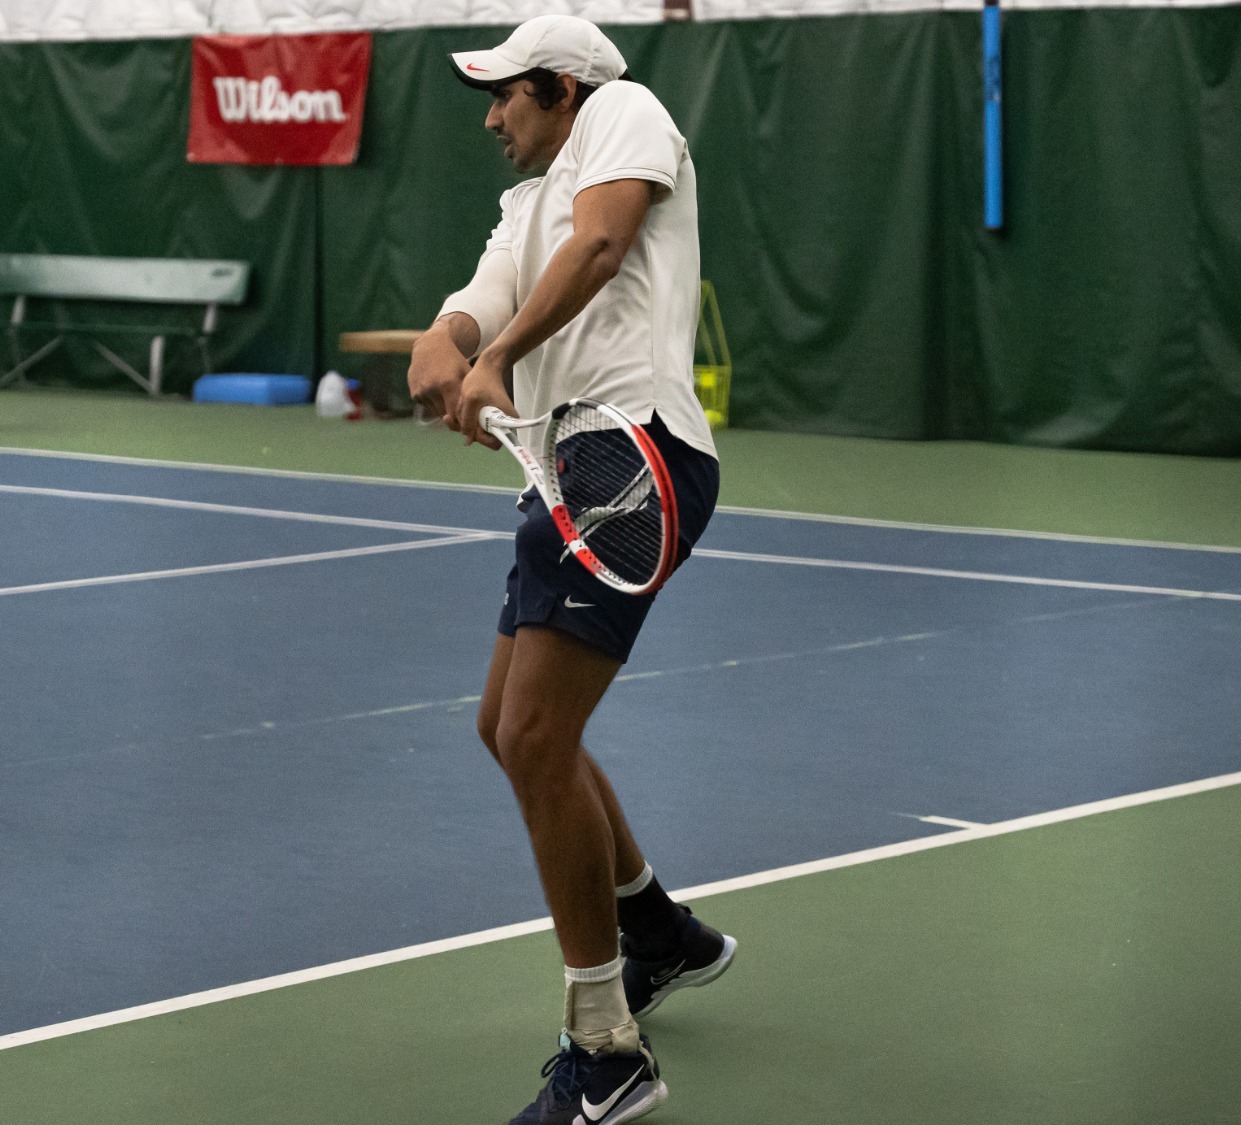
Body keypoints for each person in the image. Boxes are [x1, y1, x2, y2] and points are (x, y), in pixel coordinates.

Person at [406, 16, 738, 1125]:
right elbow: (485, 293)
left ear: (557, 86)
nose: (491, 118)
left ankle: (606, 1054)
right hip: (565, 465)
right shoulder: (521, 204)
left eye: (503, 96)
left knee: (538, 737)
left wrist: (493, 359)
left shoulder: (624, 115)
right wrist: (445, 340)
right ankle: (657, 933)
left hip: (630, 452)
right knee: (507, 726)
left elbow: (598, 246)